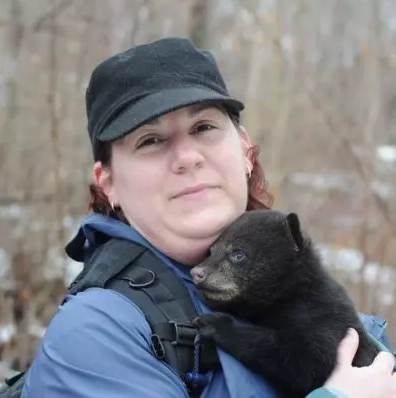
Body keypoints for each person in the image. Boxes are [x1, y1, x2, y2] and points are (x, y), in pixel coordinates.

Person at [21, 37, 395, 398]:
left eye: (203, 127)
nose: (187, 157)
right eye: (149, 140)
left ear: (245, 150)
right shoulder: (96, 337)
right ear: (108, 184)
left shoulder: (302, 298)